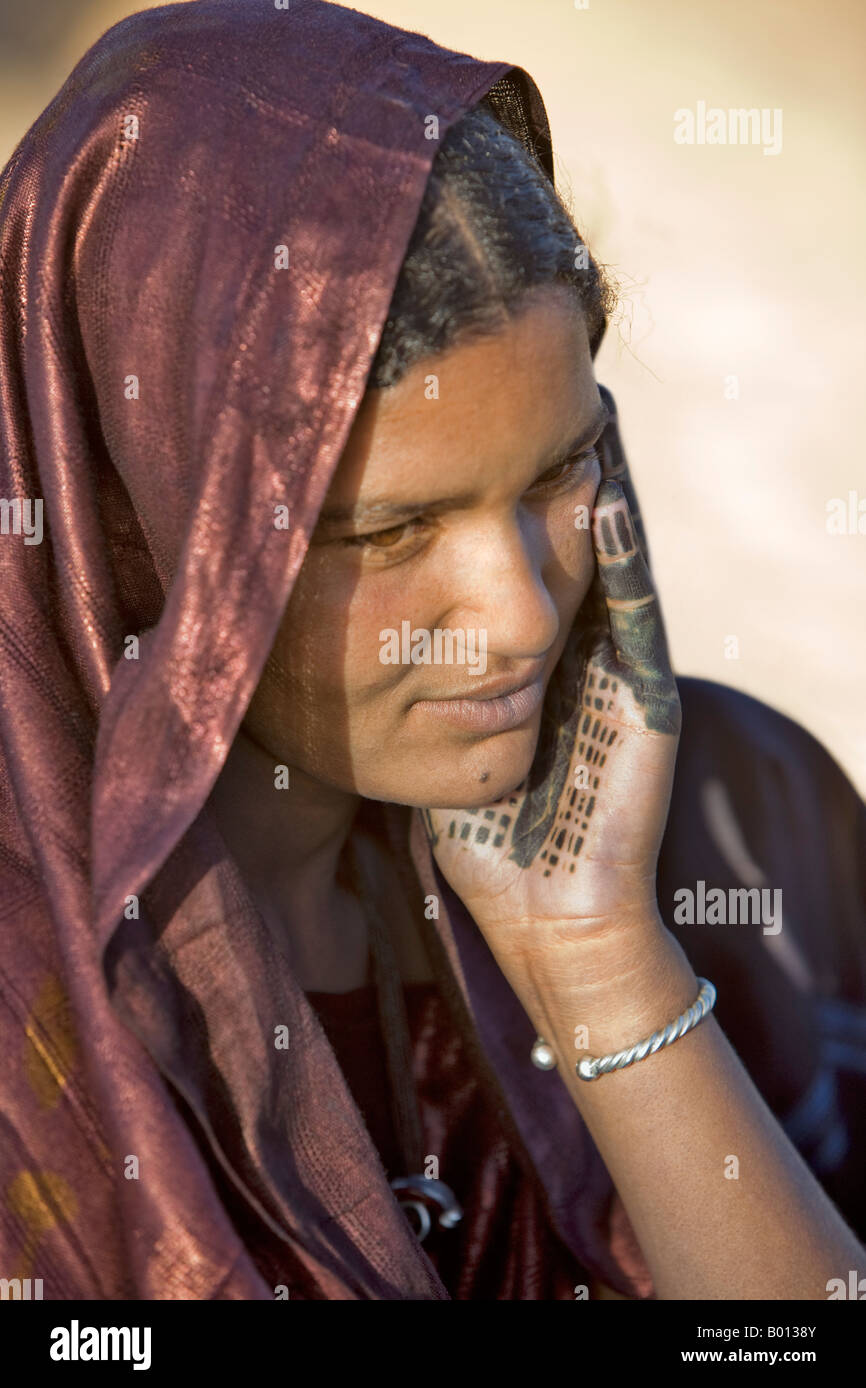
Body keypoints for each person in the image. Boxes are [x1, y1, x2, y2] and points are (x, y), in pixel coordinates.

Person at [0, 0, 864, 1302]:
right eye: (393, 527)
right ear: (133, 523)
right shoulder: (39, 1025)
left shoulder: (746, 818)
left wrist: (599, 964)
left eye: (561, 470)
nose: (520, 613)